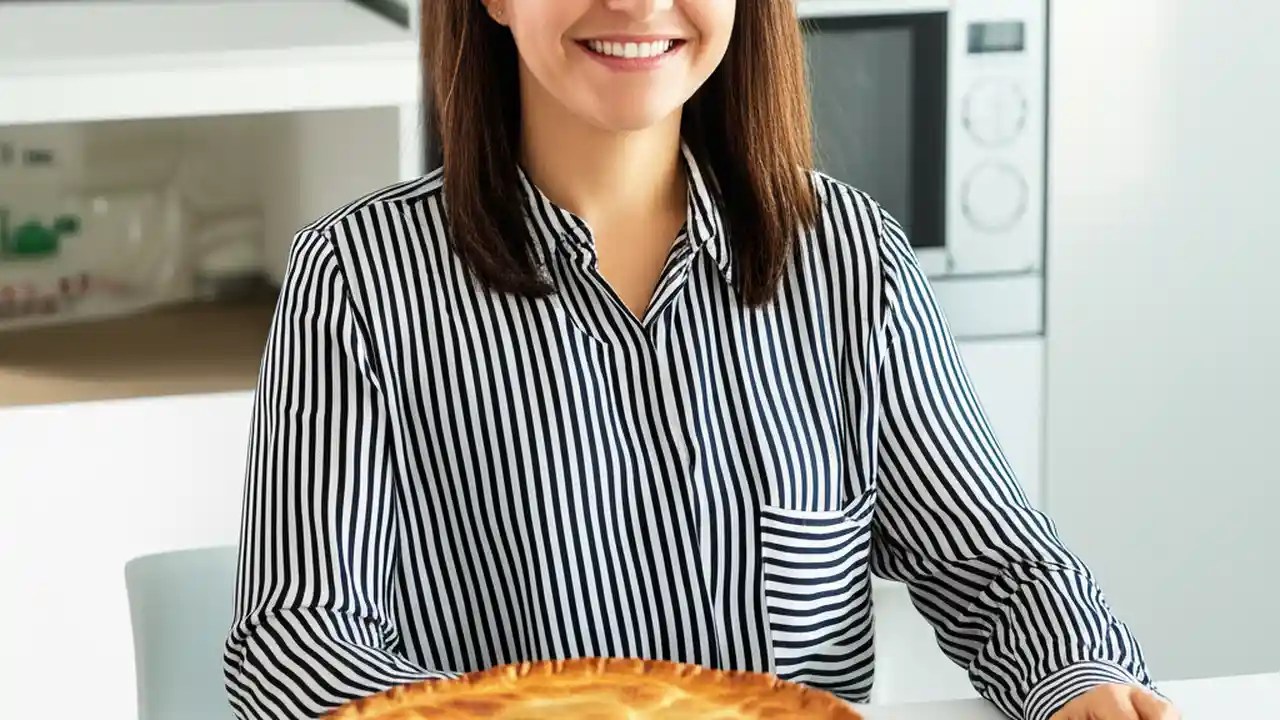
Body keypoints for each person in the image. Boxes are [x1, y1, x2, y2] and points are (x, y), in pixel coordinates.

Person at [222, 1, 1180, 719]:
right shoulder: (356, 278)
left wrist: (1080, 675)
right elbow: (294, 642)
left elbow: (996, 563)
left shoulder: (853, 261)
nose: (637, 3)